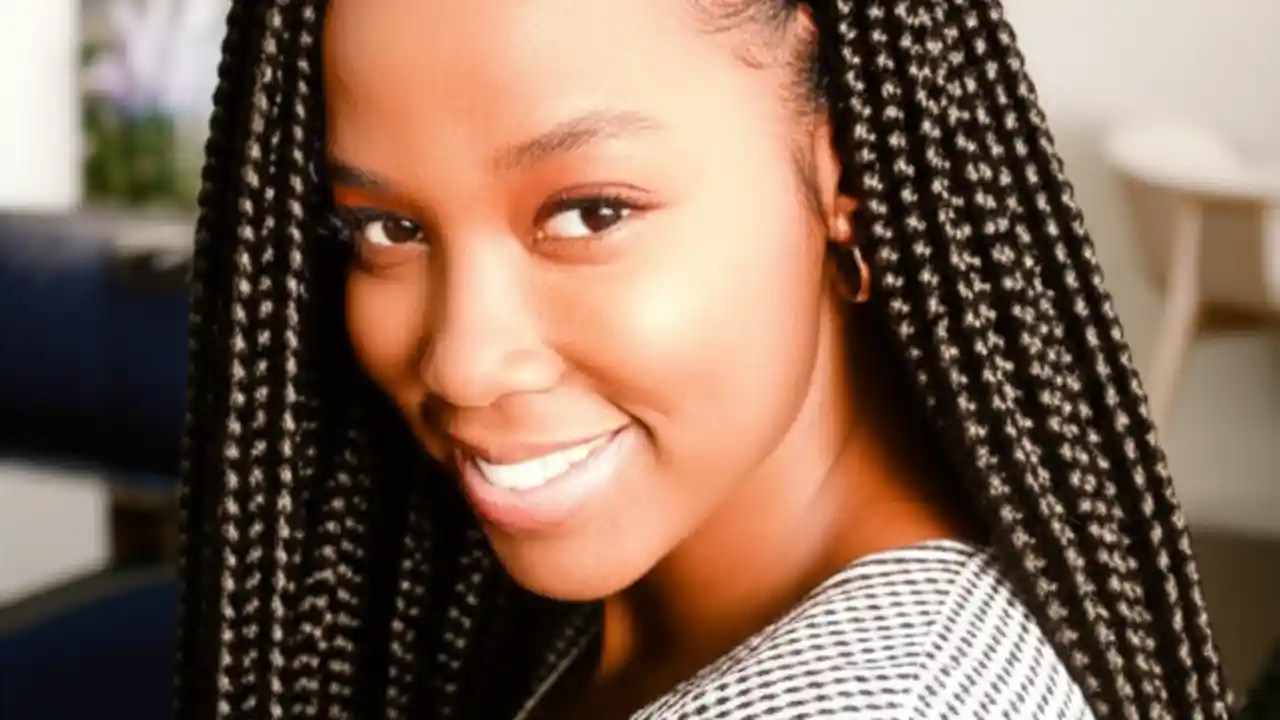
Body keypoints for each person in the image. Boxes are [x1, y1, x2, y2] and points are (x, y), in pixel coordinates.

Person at [173, 0, 1233, 718]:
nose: (462, 362)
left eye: (587, 213)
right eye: (385, 232)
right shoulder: (597, 610)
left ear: (842, 171)